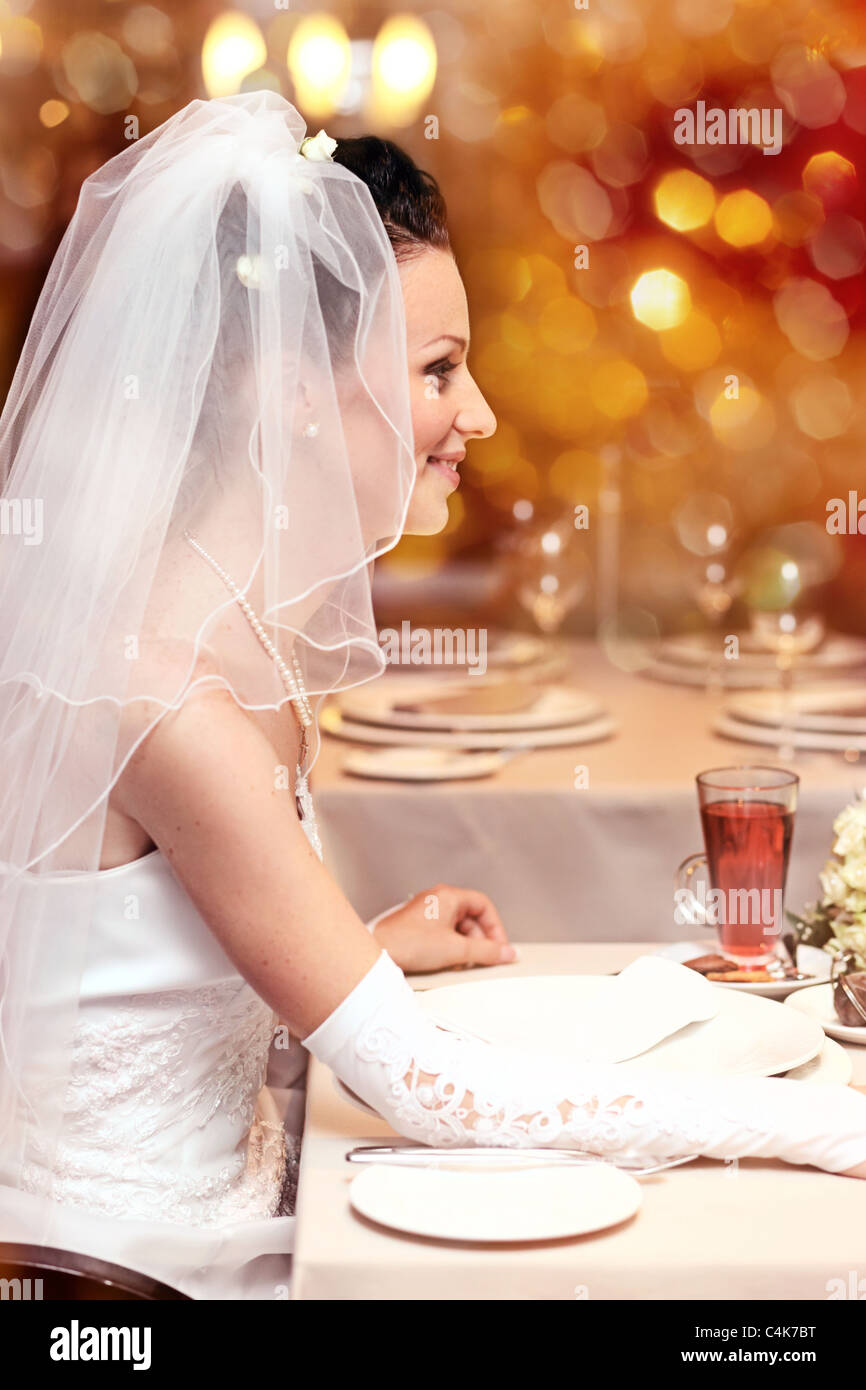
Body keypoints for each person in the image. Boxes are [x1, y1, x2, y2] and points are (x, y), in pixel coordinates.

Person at [0, 92, 863, 1303]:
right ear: (301, 378)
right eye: (439, 370)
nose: (482, 416)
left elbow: (156, 975)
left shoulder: (238, 631)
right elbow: (419, 1085)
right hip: (135, 1283)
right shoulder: (168, 692)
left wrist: (360, 947)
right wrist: (827, 1134)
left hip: (257, 1198)